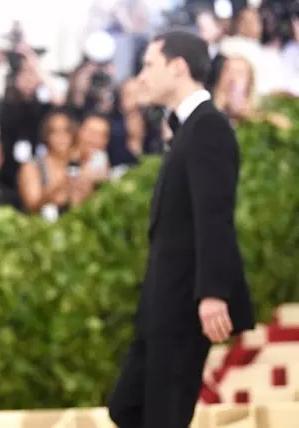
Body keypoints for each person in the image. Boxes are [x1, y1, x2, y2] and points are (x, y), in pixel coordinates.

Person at [107, 29, 255, 428]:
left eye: (150, 65)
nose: (142, 76)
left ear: (178, 67)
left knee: (164, 417)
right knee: (127, 407)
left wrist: (212, 294)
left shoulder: (208, 127)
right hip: (163, 301)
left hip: (186, 304)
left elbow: (214, 215)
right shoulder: (188, 128)